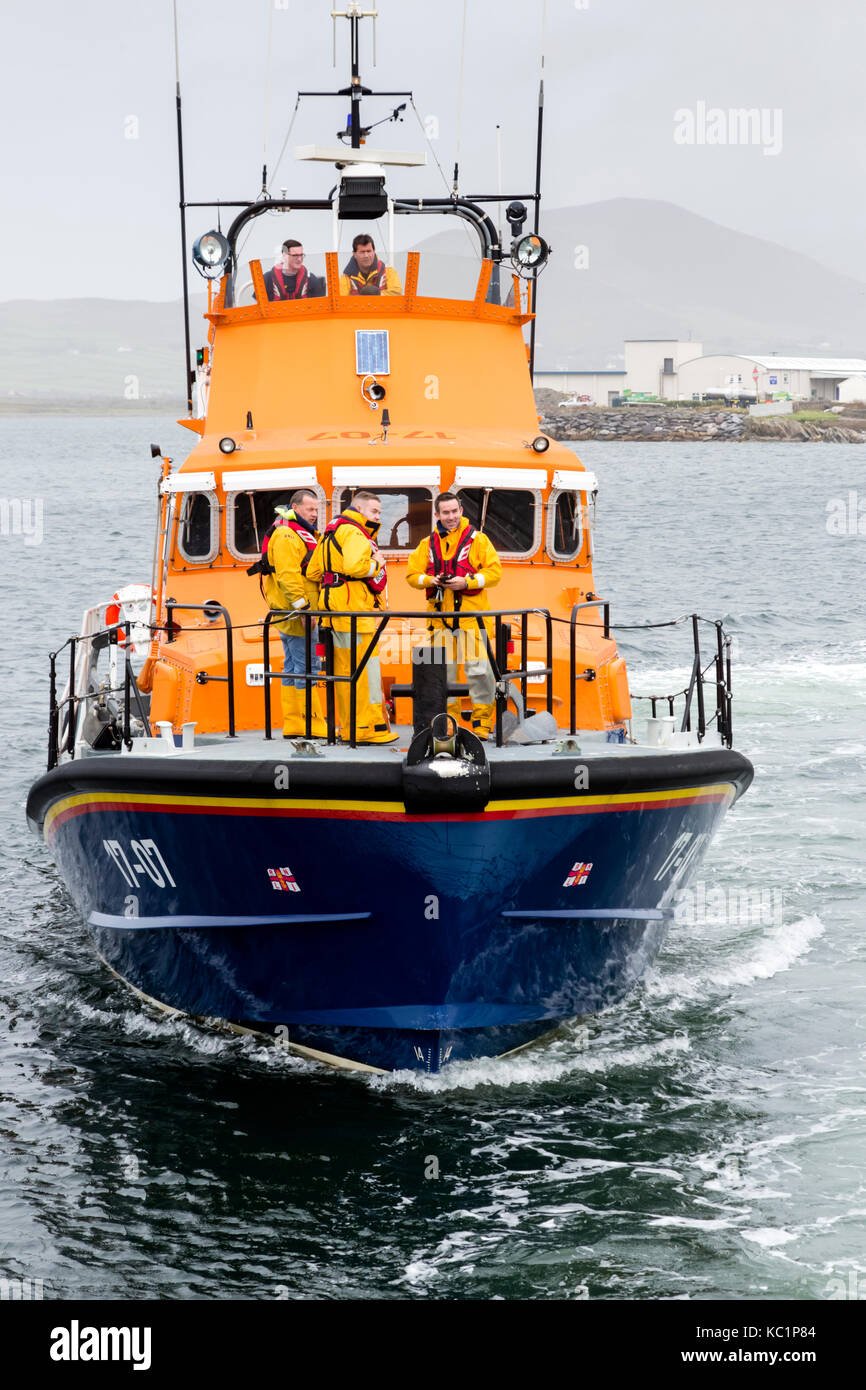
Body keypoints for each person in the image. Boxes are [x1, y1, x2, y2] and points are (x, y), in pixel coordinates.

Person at [406, 491, 502, 740]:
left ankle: (482, 722)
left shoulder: (479, 541)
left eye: (454, 511)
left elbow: (494, 573)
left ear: (461, 511)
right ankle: (447, 724)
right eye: (445, 513)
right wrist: (431, 579)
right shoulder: (426, 545)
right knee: (443, 676)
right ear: (437, 515)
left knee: (480, 671)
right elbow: (412, 576)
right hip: (440, 621)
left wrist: (466, 582)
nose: (450, 517)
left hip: (472, 618)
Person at [306, 491, 398, 745]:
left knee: (344, 675)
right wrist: (377, 563)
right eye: (374, 512)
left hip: (334, 613)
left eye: (379, 512)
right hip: (355, 612)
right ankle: (367, 728)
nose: (378, 516)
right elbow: (355, 567)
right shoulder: (356, 533)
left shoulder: (330, 532)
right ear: (358, 509)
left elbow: (314, 571)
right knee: (365, 673)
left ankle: (348, 728)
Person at [261, 489, 328, 737]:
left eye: (316, 509)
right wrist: (303, 608)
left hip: (288, 612)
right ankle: (312, 724)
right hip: (297, 613)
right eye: (310, 509)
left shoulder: (294, 533)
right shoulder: (288, 536)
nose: (314, 514)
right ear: (295, 507)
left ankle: (293, 723)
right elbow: (289, 576)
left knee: (291, 666)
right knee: (307, 667)